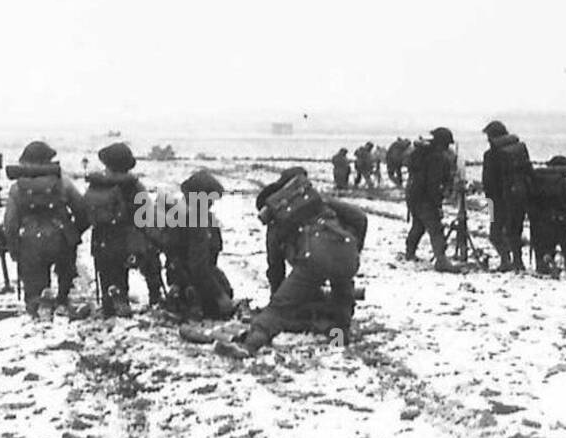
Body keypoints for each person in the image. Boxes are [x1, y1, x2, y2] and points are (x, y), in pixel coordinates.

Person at [219, 167, 367, 357]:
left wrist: (278, 298)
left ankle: (249, 346)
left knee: (278, 310)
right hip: (346, 253)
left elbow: (275, 269)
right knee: (341, 305)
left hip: (313, 260)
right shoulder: (320, 203)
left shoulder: (277, 222)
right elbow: (360, 218)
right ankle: (338, 341)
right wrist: (354, 249)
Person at [2, 140, 89, 318]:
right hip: (61, 238)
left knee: (34, 292)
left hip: (30, 241)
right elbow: (83, 211)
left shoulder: (17, 188)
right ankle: (63, 303)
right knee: (66, 281)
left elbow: (10, 223)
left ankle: (39, 311)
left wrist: (14, 248)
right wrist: (73, 233)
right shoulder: (63, 183)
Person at [83, 141, 163, 318]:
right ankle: (155, 299)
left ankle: (110, 304)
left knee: (109, 277)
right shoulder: (133, 186)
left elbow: (85, 211)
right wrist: (157, 239)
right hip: (128, 241)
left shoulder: (96, 184)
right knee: (151, 265)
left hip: (101, 241)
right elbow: (146, 217)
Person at [160, 169, 234, 320]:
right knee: (224, 302)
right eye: (210, 199)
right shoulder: (196, 220)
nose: (212, 204)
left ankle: (183, 296)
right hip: (193, 276)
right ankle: (191, 300)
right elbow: (199, 266)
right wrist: (219, 295)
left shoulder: (178, 212)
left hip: (177, 274)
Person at [482, 120, 533, 271]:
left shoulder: (491, 155)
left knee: (495, 233)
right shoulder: (520, 148)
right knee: (514, 231)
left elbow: (488, 181)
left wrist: (489, 199)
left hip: (495, 199)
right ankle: (518, 262)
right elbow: (528, 170)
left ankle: (505, 260)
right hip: (520, 195)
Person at [404, 128, 457, 272]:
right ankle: (441, 259)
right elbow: (433, 183)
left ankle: (409, 252)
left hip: (413, 194)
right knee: (435, 227)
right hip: (425, 196)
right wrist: (437, 202)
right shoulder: (436, 157)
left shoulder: (421, 153)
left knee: (419, 225)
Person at [527, 155, 566, 275]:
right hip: (563, 224)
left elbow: (529, 203)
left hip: (541, 224)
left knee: (544, 250)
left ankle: (543, 266)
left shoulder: (536, 183)